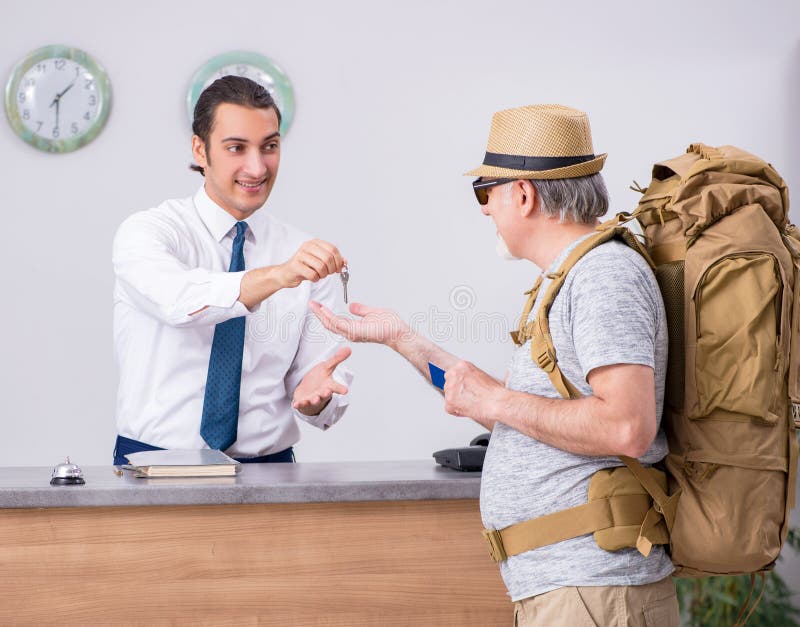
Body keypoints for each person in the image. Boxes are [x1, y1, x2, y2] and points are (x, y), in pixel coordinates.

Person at [310, 105, 679, 625]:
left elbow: (626, 426)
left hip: (594, 591)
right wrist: (400, 338)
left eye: (486, 192)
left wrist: (498, 399)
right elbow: (517, 416)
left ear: (523, 194)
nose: (484, 209)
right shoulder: (567, 278)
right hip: (574, 589)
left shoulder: (603, 276)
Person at [112, 75, 352, 465]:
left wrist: (316, 399)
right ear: (200, 150)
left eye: (269, 147)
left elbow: (317, 380)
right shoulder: (147, 233)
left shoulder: (302, 253)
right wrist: (278, 276)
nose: (257, 167)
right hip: (152, 464)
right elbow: (178, 302)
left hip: (270, 468)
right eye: (237, 148)